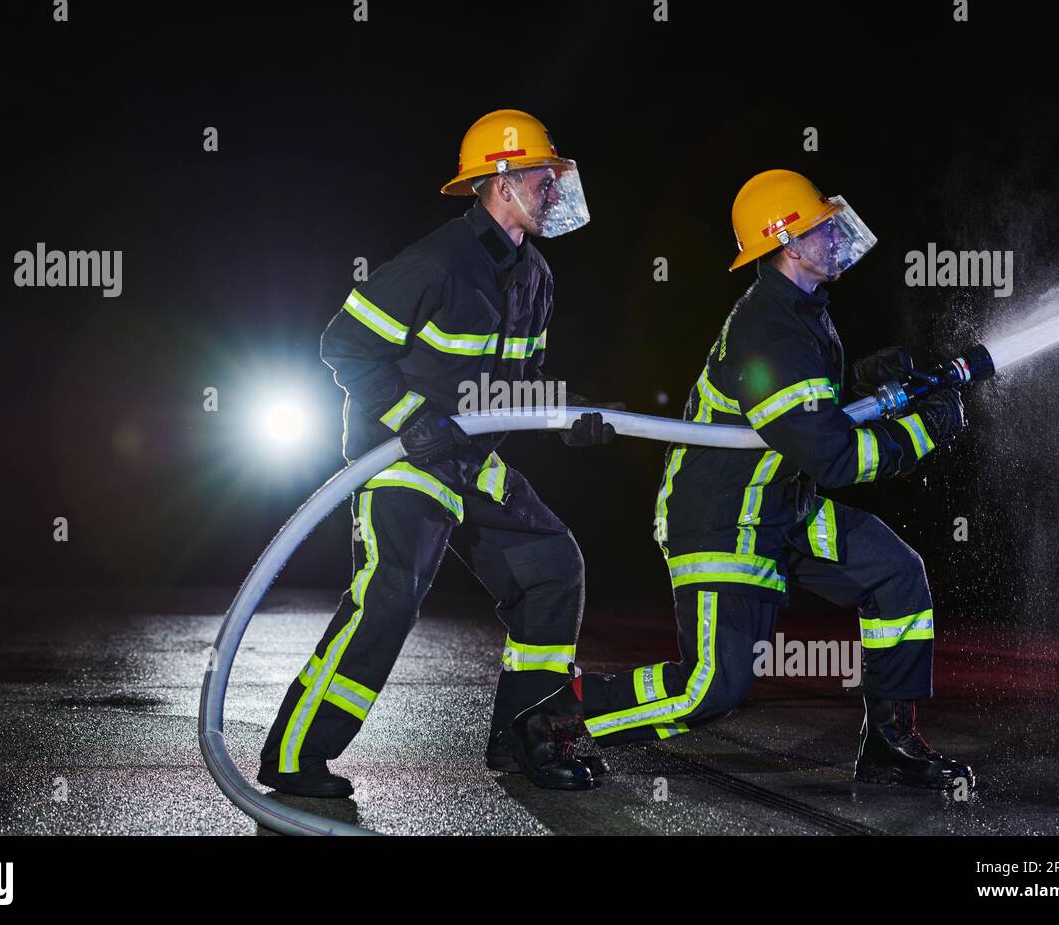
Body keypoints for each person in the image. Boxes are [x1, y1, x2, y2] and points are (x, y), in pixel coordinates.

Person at [508, 169, 975, 793]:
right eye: (819, 228)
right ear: (785, 242)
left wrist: (865, 385)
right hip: (723, 517)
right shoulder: (771, 328)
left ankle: (890, 742)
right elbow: (834, 458)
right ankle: (555, 721)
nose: (834, 236)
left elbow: (805, 417)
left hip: (782, 504)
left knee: (895, 572)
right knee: (711, 688)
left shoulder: (805, 312)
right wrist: (925, 431)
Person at [257, 109, 616, 797]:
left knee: (551, 565)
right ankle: (296, 754)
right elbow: (345, 343)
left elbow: (520, 386)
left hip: (467, 458)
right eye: (545, 178)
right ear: (502, 181)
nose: (555, 191)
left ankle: (529, 736)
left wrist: (568, 418)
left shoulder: (535, 276)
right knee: (390, 596)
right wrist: (409, 418)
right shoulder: (435, 263)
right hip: (399, 456)